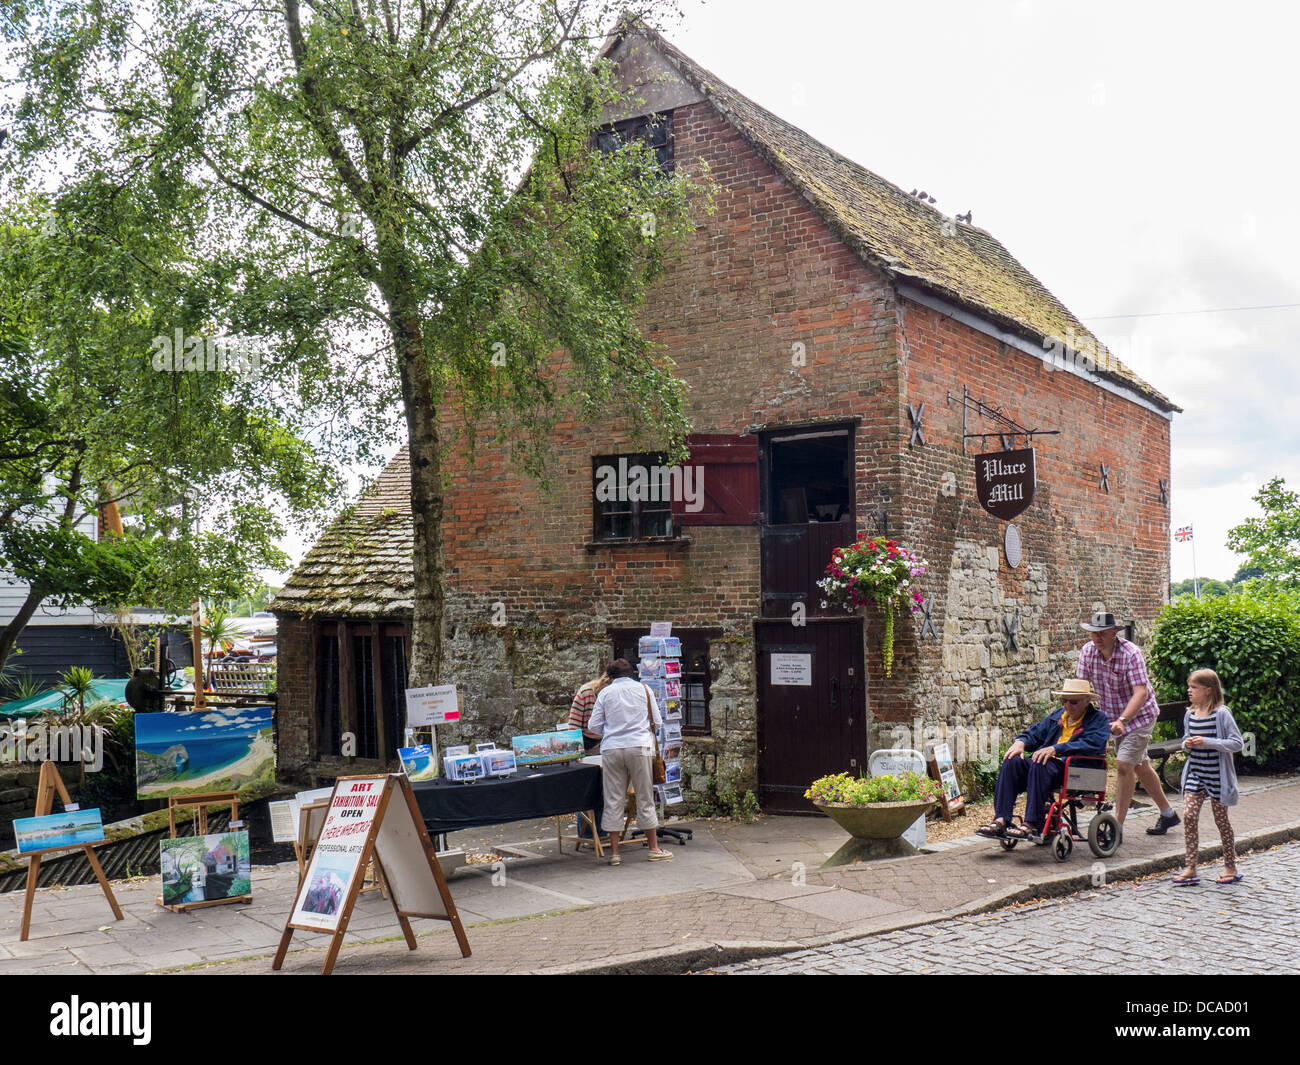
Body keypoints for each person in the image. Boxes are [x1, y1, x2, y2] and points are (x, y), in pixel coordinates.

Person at [1076, 610, 1180, 835]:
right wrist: (1074, 717)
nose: (1097, 638)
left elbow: (1141, 692)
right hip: (1112, 718)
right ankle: (1168, 814)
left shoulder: (1131, 653)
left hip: (1139, 716)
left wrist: (1124, 719)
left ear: (1115, 632)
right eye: (1094, 633)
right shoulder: (1087, 652)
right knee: (1139, 764)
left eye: (1103, 633)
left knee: (1124, 765)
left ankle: (1117, 827)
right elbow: (1081, 688)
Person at [977, 678, 1110, 840]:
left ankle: (1032, 823)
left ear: (1087, 701)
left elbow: (1093, 743)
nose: (1068, 705)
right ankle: (1001, 820)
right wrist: (1021, 742)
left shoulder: (1098, 720)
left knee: (1039, 761)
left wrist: (1056, 748)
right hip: (1046, 766)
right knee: (1012, 761)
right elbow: (1035, 733)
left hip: (1075, 768)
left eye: (1073, 702)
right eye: (1065, 701)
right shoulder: (1058, 716)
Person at [587, 659, 673, 866]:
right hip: (639, 746)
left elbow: (594, 726)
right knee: (645, 796)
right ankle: (653, 848)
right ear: (631, 673)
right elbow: (658, 722)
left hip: (612, 748)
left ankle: (615, 853)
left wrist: (612, 730)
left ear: (610, 675)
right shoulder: (644, 690)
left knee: (613, 798)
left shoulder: (605, 693)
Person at [1172, 669, 1244, 886]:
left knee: (1221, 821)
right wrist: (1187, 744)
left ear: (1208, 690)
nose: (1189, 691)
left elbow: (1237, 743)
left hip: (1217, 777)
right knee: (1189, 815)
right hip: (1196, 773)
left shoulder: (1221, 714)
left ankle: (1230, 865)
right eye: (1189, 686)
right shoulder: (1189, 714)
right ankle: (1191, 867)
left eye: (1194, 687)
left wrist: (1208, 742)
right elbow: (1185, 739)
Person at [567, 673, 610, 839]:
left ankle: (602, 831)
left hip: (604, 746)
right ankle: (587, 834)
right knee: (587, 791)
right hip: (585, 746)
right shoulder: (586, 693)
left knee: (604, 791)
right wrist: (576, 752)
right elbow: (573, 725)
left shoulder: (613, 695)